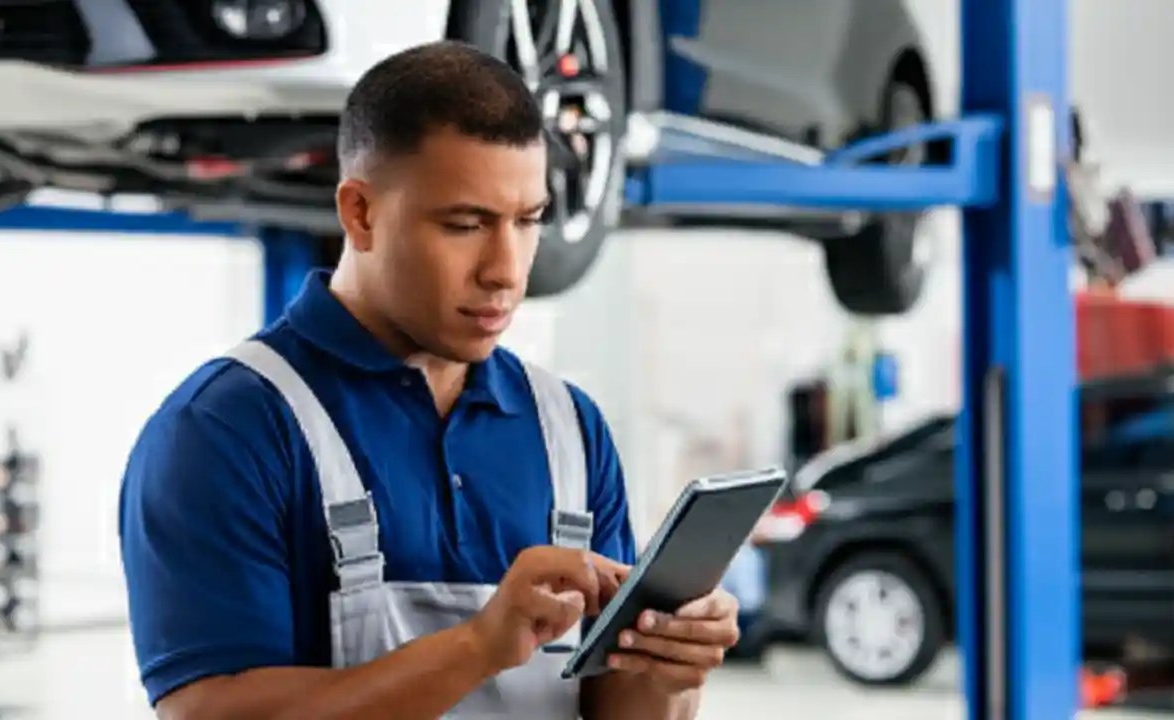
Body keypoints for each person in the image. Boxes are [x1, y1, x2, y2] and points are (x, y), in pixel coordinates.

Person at [118, 40, 741, 719]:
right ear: (360, 213)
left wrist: (669, 667)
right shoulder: (227, 430)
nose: (505, 269)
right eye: (466, 225)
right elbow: (208, 714)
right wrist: (476, 646)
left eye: (527, 221)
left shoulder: (570, 429)